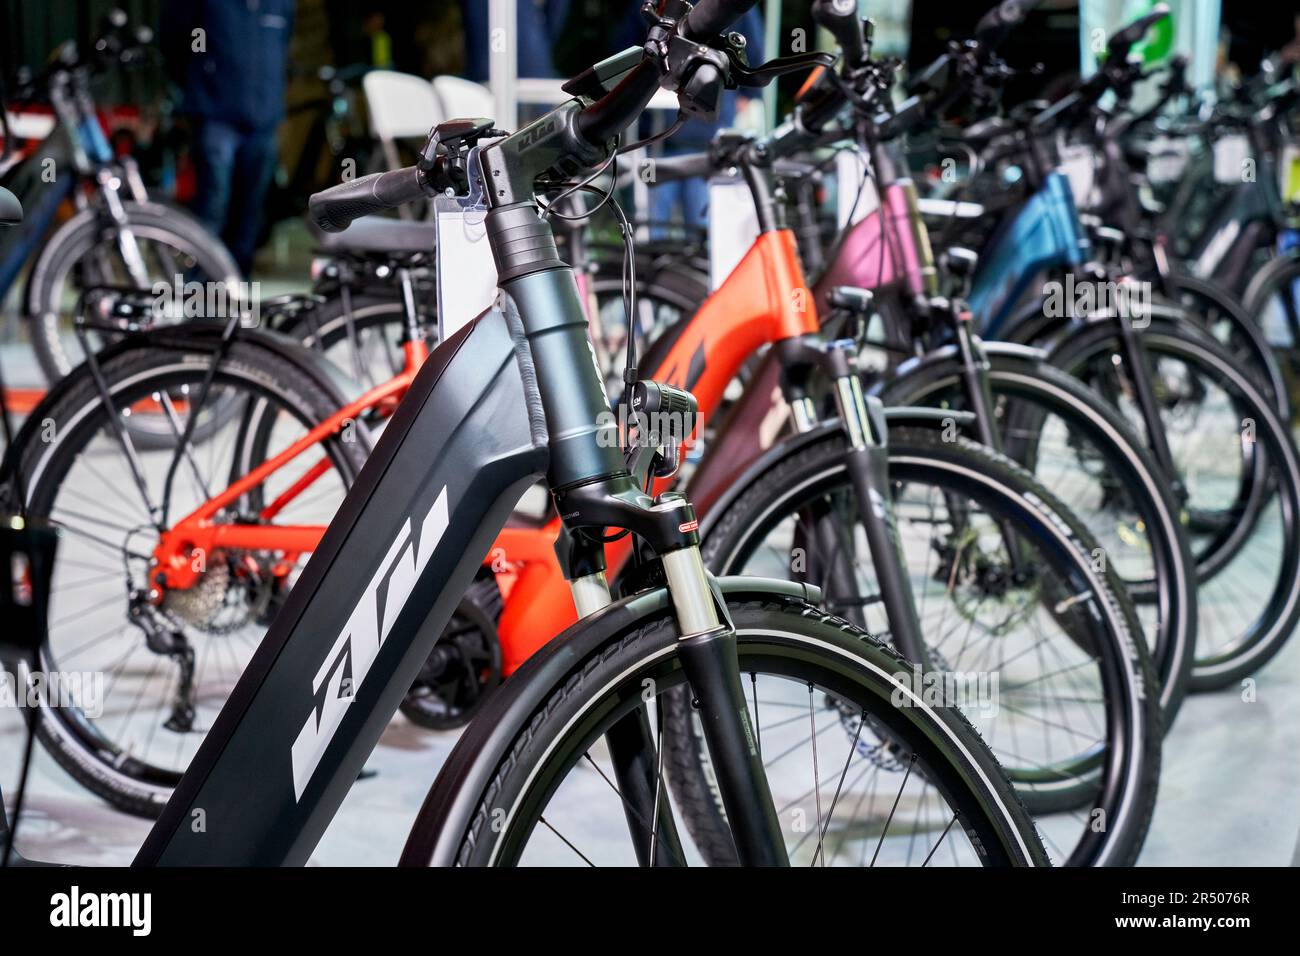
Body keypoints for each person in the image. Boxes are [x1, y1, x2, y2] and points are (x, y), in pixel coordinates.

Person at [160, 0, 294, 276]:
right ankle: (198, 293)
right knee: (212, 206)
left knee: (250, 215)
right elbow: (173, 40)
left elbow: (283, 46)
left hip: (264, 120)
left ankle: (235, 291)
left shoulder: (280, 4)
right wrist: (196, 87)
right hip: (215, 116)